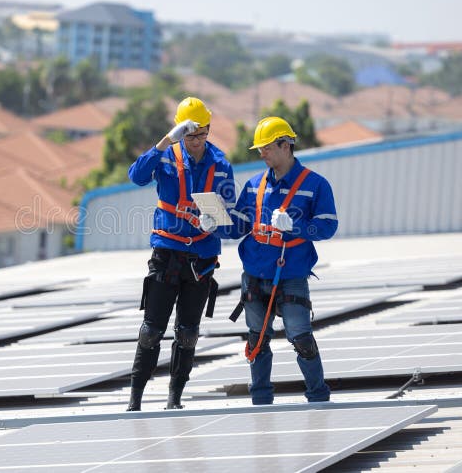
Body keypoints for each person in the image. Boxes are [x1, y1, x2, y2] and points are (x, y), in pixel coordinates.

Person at [214, 116, 338, 405]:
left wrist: (295, 227)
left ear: (285, 145)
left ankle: (318, 397)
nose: (262, 154)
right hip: (256, 273)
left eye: (267, 148)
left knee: (301, 339)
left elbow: (328, 226)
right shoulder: (255, 186)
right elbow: (240, 225)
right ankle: (260, 400)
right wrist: (216, 224)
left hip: (291, 272)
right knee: (256, 340)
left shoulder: (315, 185)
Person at [126, 96, 235, 411]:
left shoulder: (221, 164)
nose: (196, 142)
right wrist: (162, 143)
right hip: (168, 251)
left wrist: (215, 220)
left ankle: (174, 398)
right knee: (151, 330)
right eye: (190, 135)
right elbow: (136, 177)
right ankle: (135, 399)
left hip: (201, 258)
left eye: (202, 134)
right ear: (179, 132)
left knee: (188, 333)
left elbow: (230, 215)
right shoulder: (165, 156)